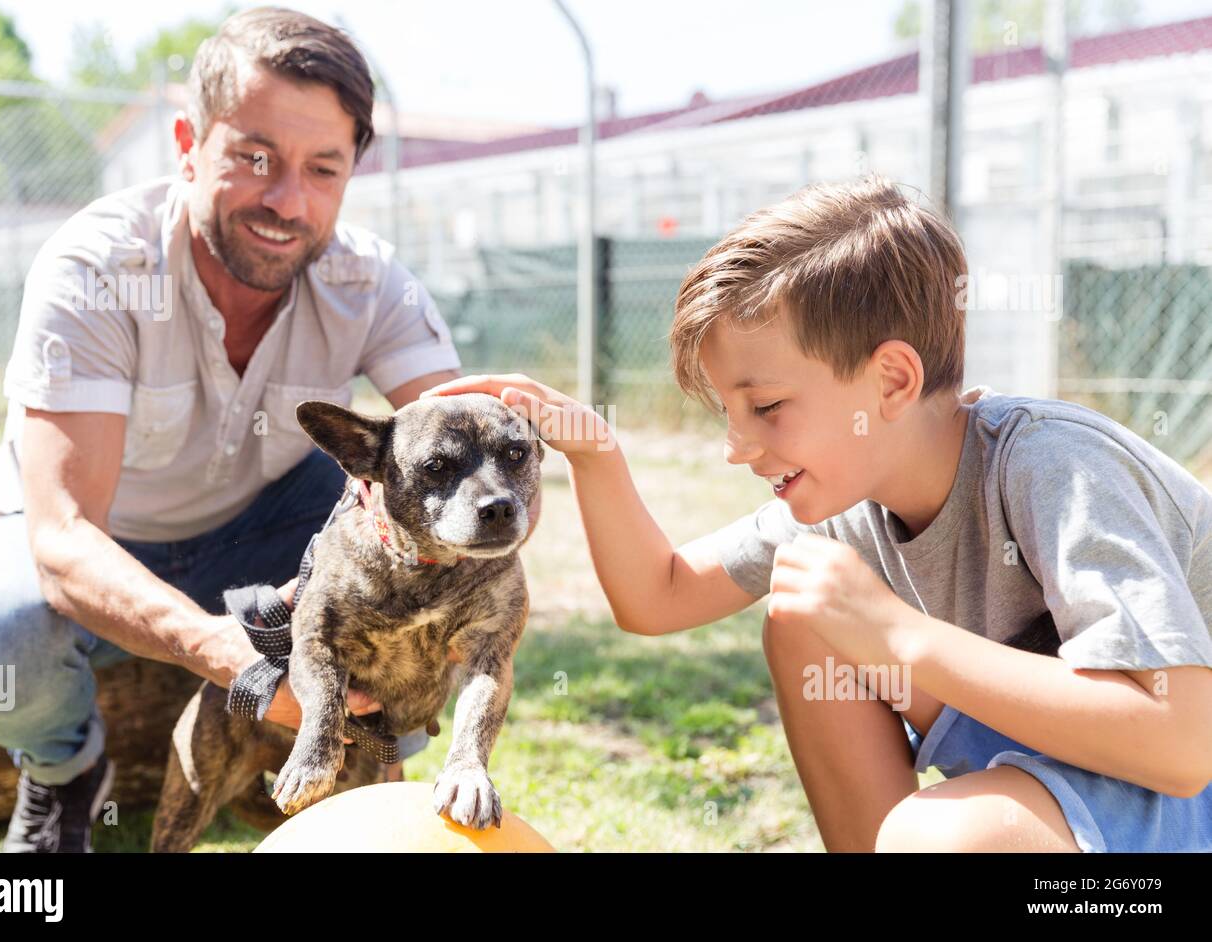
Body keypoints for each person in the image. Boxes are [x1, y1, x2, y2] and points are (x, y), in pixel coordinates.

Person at [425, 175, 1212, 852]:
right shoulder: (849, 497)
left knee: (936, 837)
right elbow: (657, 595)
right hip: (1082, 770)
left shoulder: (1052, 463)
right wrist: (593, 453)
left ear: (892, 383)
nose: (738, 446)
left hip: (1183, 779)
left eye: (766, 406)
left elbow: (1179, 743)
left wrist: (899, 634)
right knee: (803, 614)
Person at [0, 7, 487, 853]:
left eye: (321, 169)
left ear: (349, 174)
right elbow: (64, 534)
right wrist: (237, 658)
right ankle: (65, 769)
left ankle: (364, 761)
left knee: (407, 522)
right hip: (89, 538)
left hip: (262, 528)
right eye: (254, 158)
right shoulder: (98, 268)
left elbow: (461, 446)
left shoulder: (369, 281)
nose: (286, 200)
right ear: (189, 142)